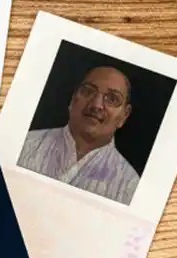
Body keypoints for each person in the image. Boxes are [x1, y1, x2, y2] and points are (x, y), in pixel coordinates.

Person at [18, 66, 141, 205]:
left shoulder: (129, 185)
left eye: (112, 99)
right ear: (72, 99)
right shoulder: (25, 144)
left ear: (124, 116)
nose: (97, 105)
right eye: (88, 91)